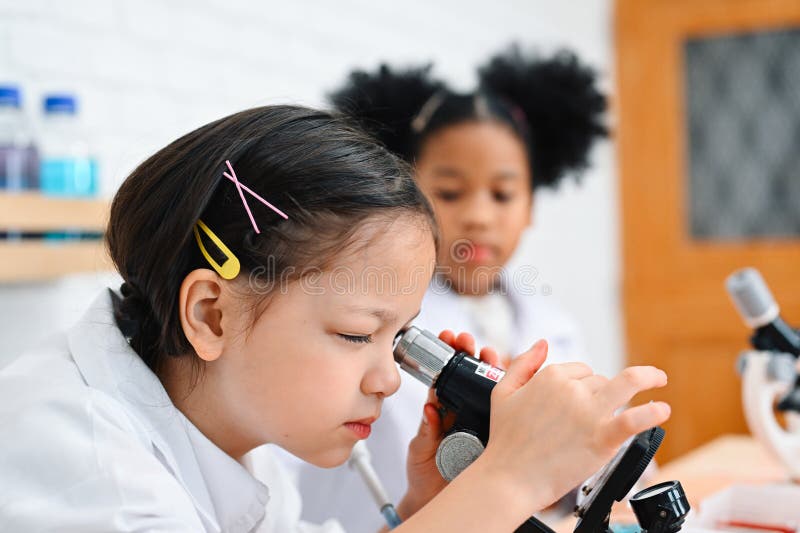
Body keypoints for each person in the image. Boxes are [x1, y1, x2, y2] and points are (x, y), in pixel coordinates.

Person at [0, 105, 669, 532]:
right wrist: (508, 480)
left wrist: (425, 508)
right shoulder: (90, 472)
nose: (387, 379)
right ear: (211, 313)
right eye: (356, 334)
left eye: (400, 337)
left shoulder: (233, 431)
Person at [292, 46, 609, 531]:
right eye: (450, 192)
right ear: (405, 194)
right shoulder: (368, 320)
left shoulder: (554, 324)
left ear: (531, 206)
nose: (479, 217)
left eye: (502, 194)